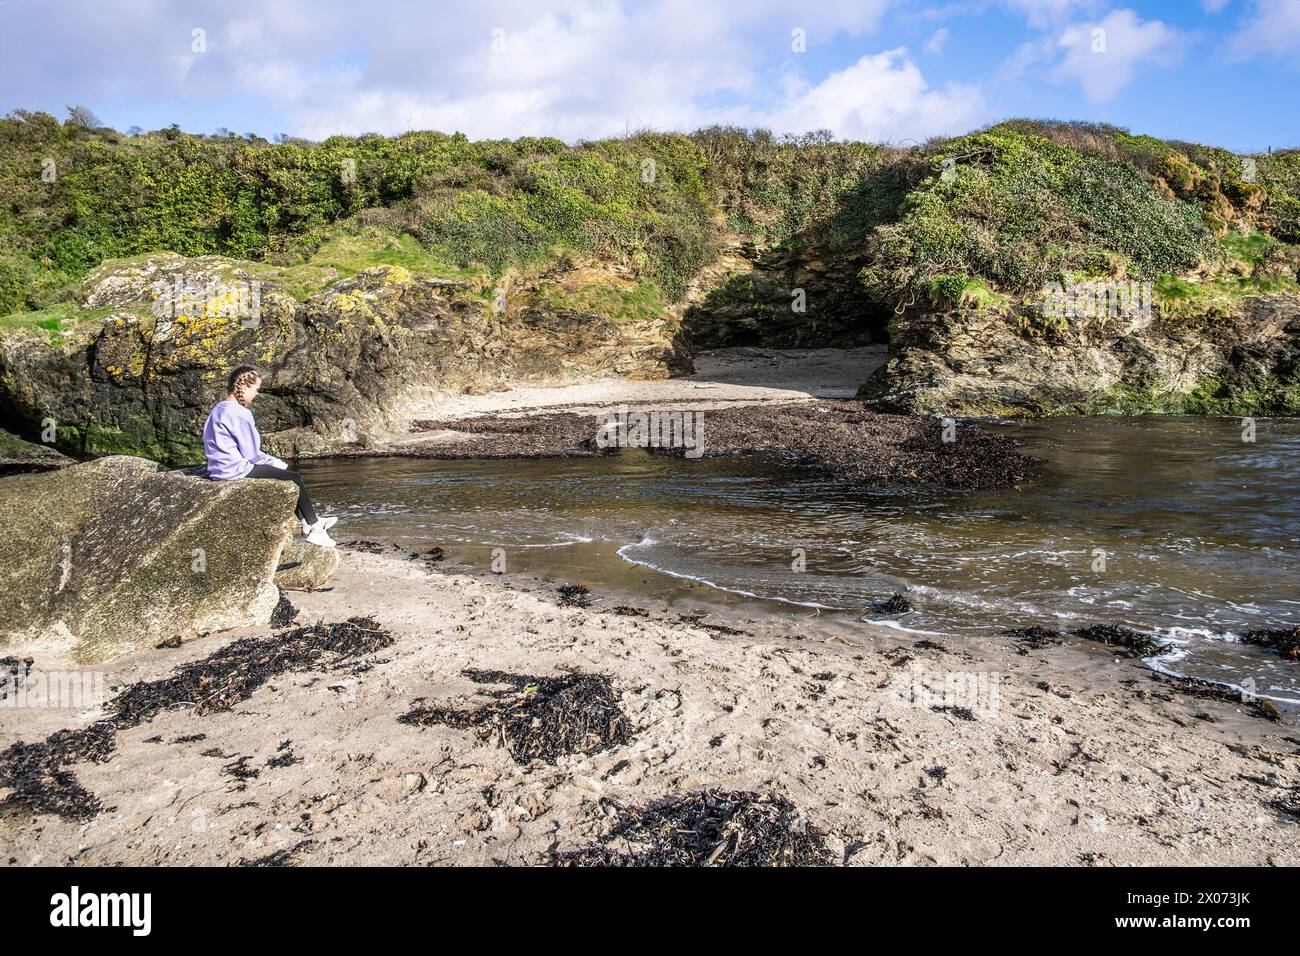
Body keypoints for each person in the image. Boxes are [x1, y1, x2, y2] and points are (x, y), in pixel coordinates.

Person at [202, 365, 337, 547]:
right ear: (243, 388)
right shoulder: (241, 413)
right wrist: (276, 462)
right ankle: (315, 528)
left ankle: (308, 521)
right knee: (293, 477)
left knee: (285, 475)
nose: (256, 394)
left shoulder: (218, 408)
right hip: (234, 470)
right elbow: (252, 455)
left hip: (217, 469)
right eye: (256, 389)